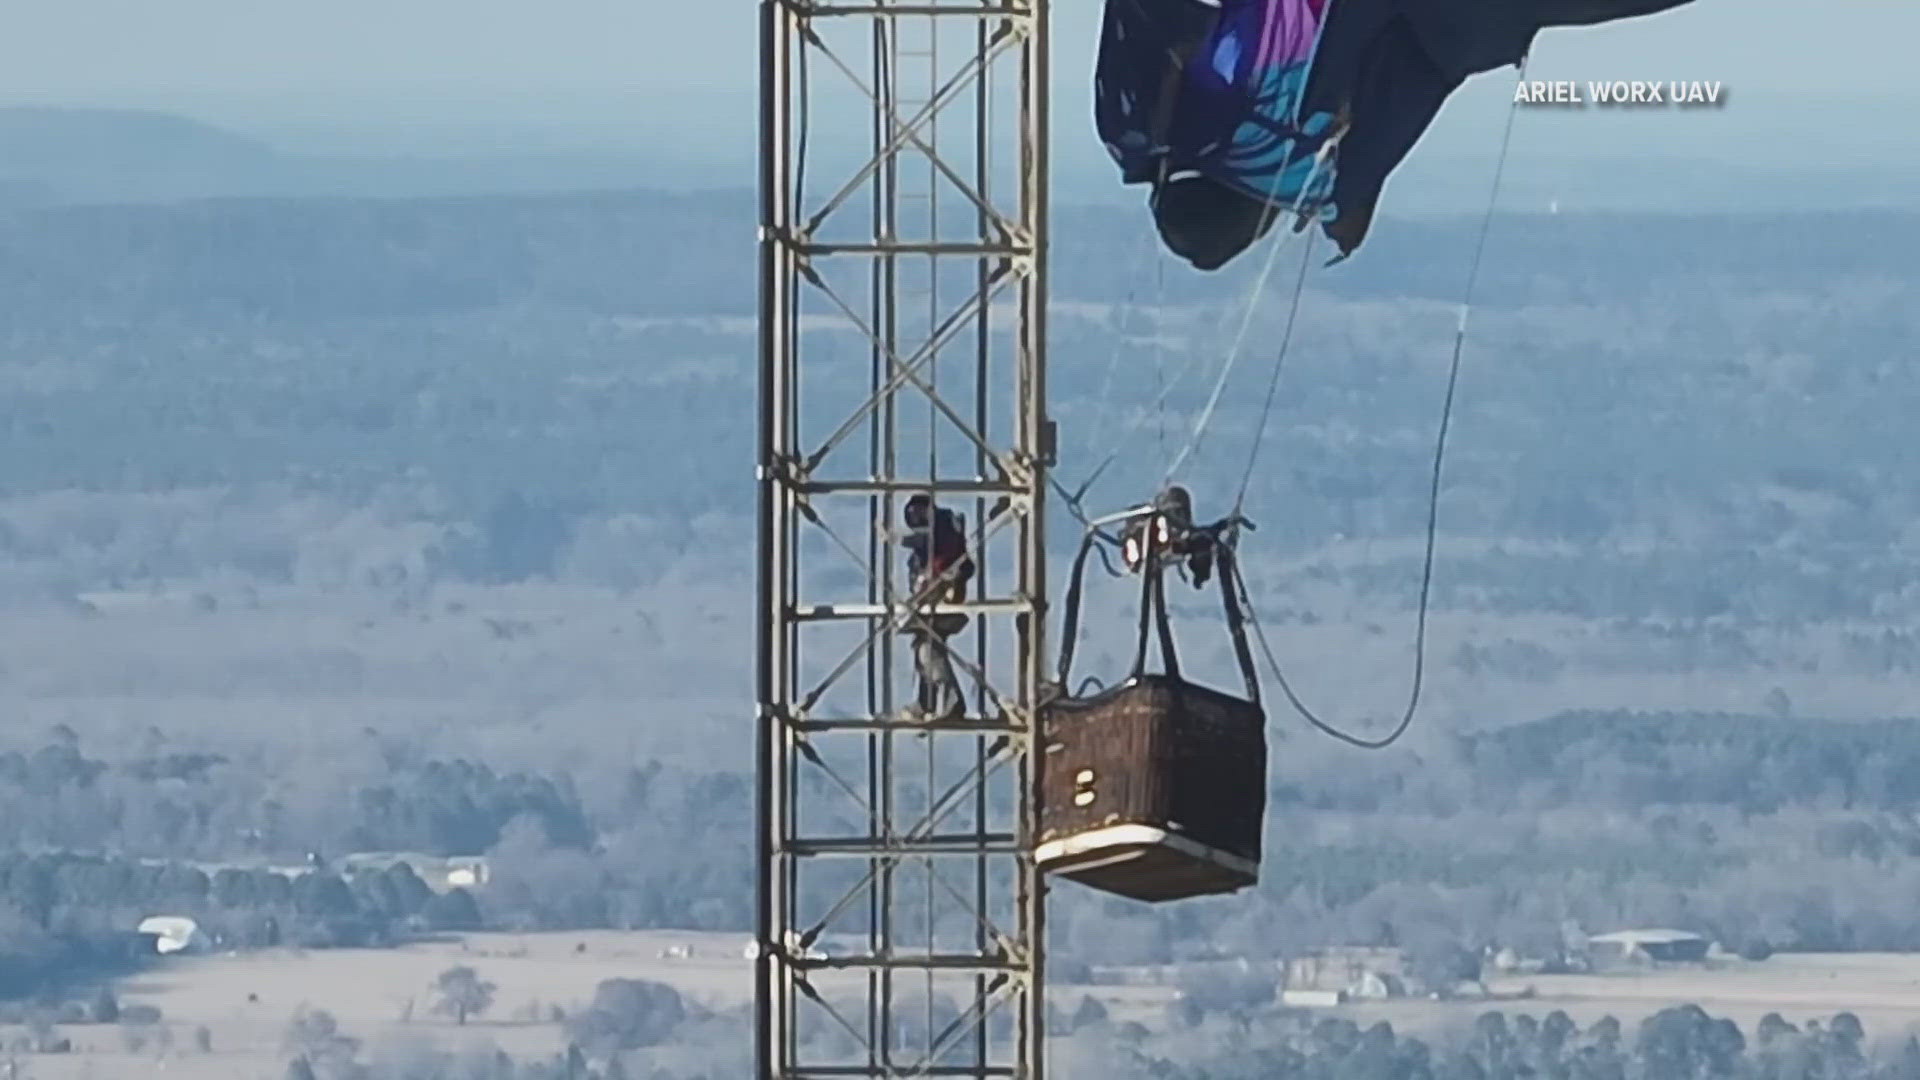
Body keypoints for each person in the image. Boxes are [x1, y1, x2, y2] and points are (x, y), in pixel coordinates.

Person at [901, 494, 973, 723]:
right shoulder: (927, 549)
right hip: (930, 604)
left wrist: (897, 538)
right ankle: (927, 702)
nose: (916, 517)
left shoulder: (943, 528)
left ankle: (951, 701)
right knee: (924, 648)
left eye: (920, 512)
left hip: (944, 601)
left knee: (928, 649)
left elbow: (937, 544)